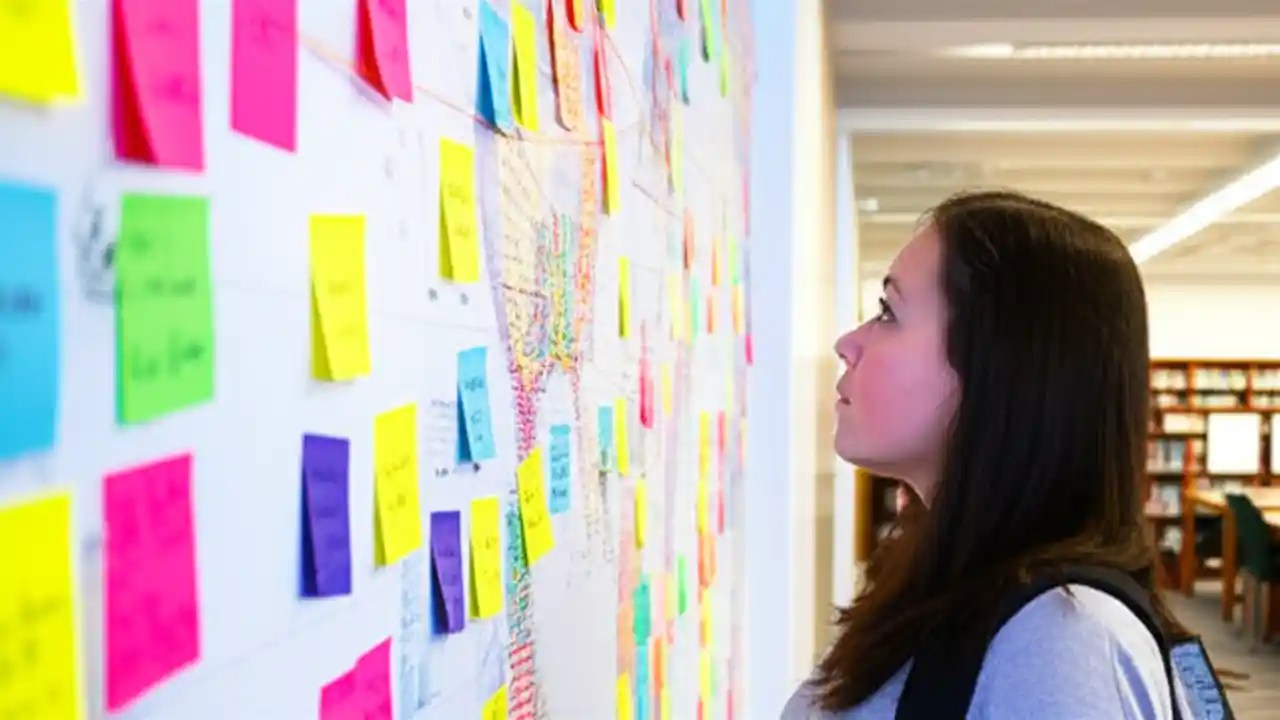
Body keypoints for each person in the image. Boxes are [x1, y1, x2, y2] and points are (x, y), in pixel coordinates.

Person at [783, 191, 1195, 719]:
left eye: (888, 312)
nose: (847, 342)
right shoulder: (946, 578)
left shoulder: (1061, 642)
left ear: (998, 364)